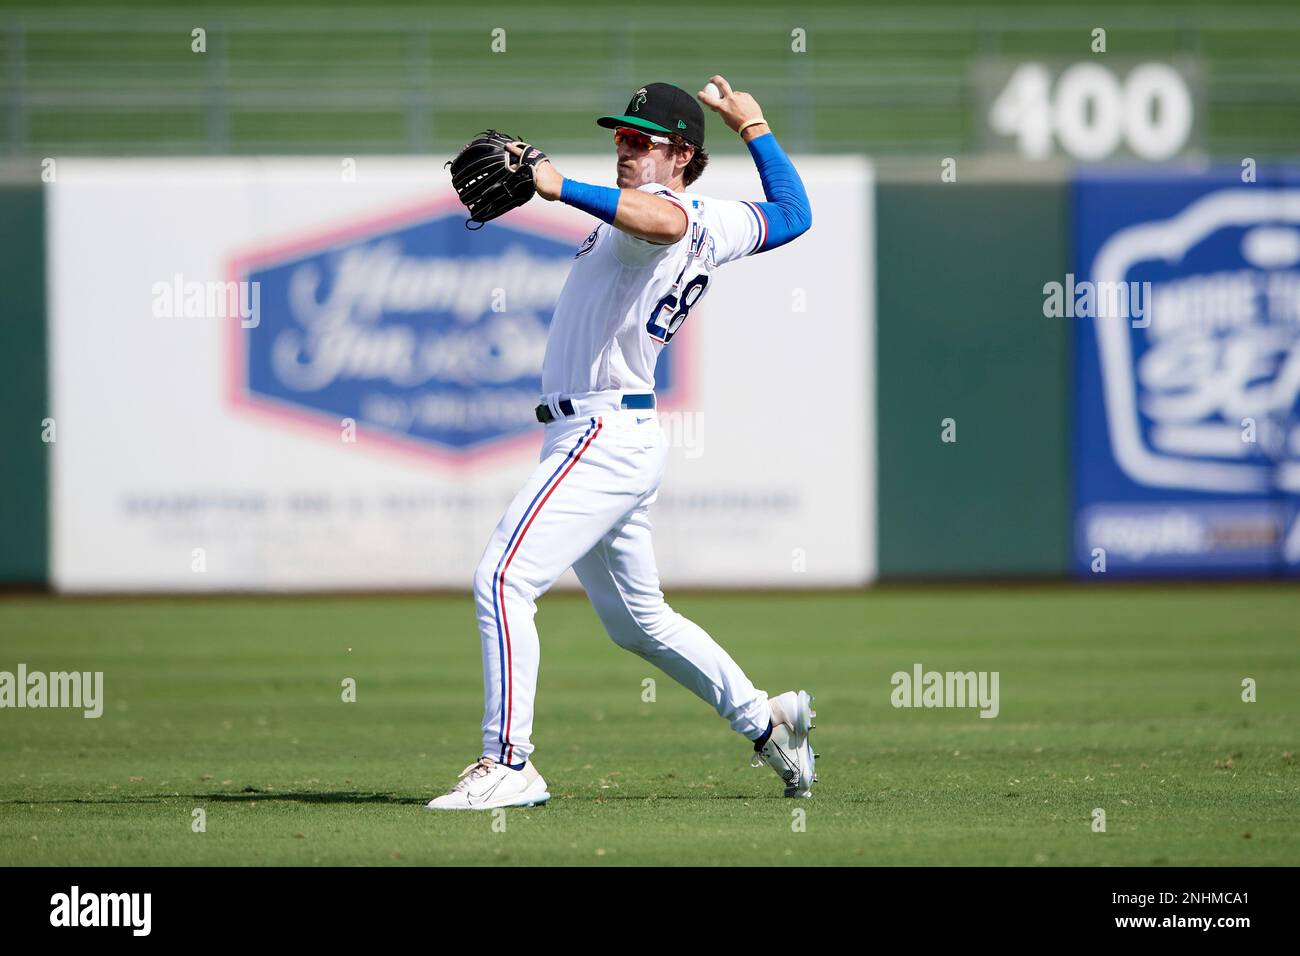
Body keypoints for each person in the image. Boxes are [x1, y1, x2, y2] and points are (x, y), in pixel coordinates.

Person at [427, 75, 815, 810]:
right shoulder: (718, 219)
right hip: (609, 434)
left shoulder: (665, 215)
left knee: (503, 579)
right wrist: (755, 125)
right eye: (620, 138)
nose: (625, 150)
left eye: (642, 141)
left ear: (681, 156)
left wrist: (555, 183)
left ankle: (509, 763)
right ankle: (767, 721)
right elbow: (793, 215)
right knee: (639, 623)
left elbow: (662, 225)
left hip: (602, 432)